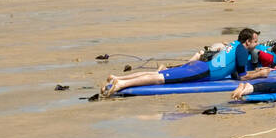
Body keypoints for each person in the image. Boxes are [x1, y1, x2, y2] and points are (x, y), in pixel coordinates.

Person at [101, 28, 265, 96]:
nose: (257, 44)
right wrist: (260, 73)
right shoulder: (243, 51)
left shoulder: (234, 45)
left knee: (158, 74)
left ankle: (120, 79)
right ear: (248, 42)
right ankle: (121, 85)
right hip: (202, 72)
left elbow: (235, 73)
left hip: (200, 66)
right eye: (255, 41)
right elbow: (242, 78)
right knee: (160, 78)